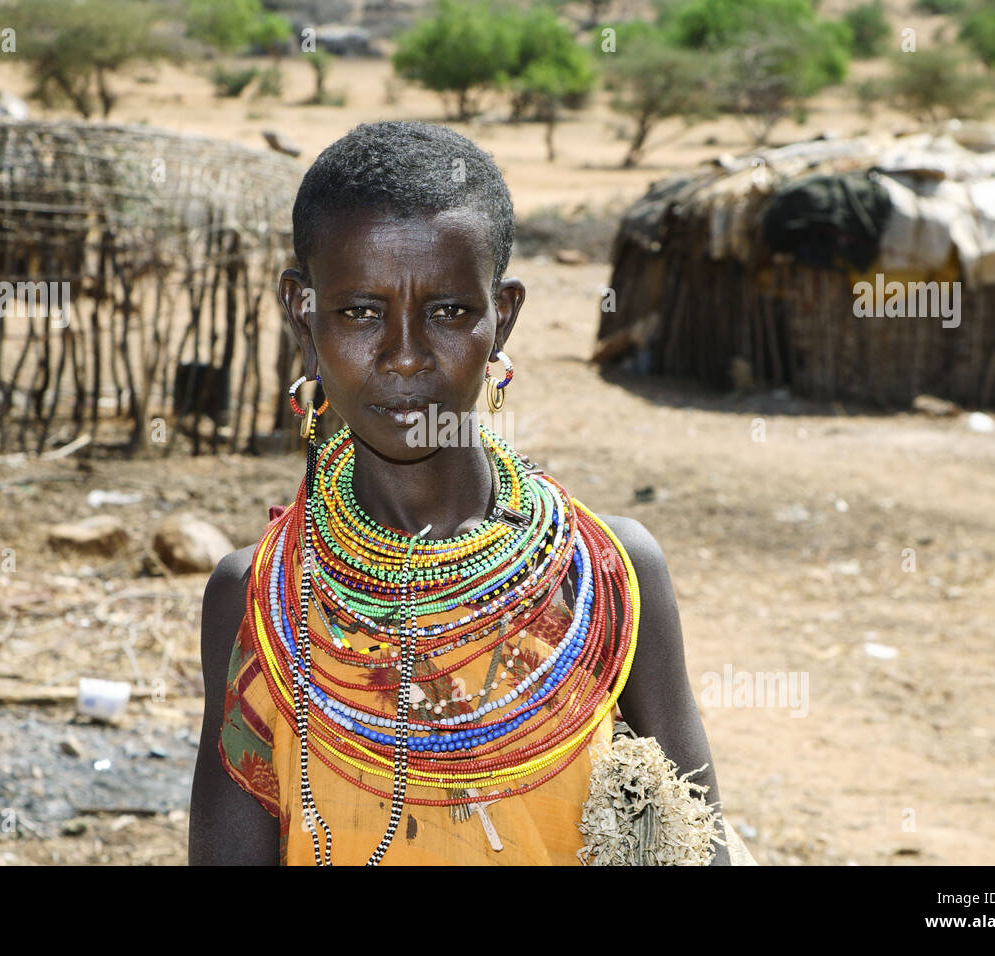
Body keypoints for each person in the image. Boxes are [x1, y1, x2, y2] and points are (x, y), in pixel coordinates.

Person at [189, 120, 735, 866]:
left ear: (501, 316)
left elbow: (695, 853)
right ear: (303, 312)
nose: (406, 355)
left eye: (448, 311)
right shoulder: (261, 599)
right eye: (359, 311)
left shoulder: (605, 576)